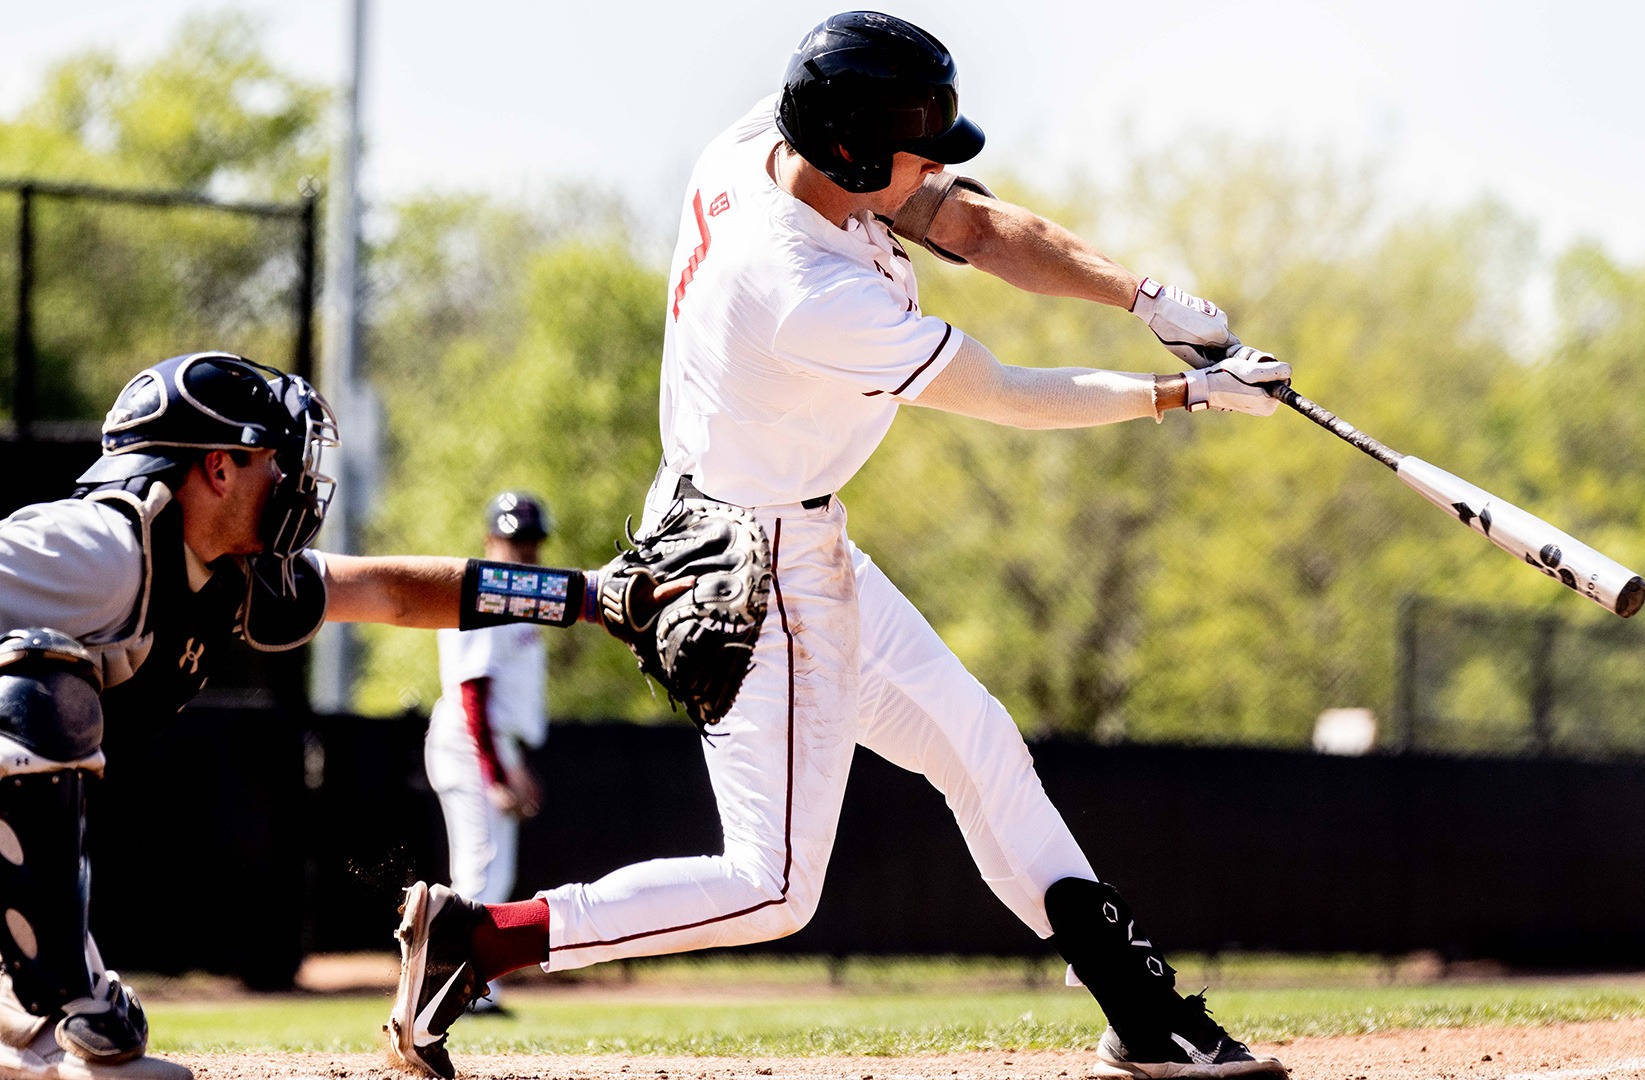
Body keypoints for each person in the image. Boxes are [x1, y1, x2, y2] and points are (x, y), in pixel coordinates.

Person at [387, 12, 1294, 1080]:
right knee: (772, 885)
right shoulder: (805, 291)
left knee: (980, 747)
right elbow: (1001, 394)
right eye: (914, 151)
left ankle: (1139, 1010)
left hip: (776, 528)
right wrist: (1184, 394)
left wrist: (1147, 298)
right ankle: (479, 940)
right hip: (751, 570)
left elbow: (980, 229)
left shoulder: (766, 144)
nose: (934, 173)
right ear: (855, 149)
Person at [0, 353, 658, 1080]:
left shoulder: (230, 574)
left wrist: (590, 596)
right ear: (219, 468)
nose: (291, 479)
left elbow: (394, 593)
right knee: (36, 695)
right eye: (273, 459)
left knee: (107, 1056)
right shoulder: (101, 551)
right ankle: (53, 1002)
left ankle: (31, 1021)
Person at [425, 492, 554, 1015]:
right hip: (468, 742)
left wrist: (512, 763)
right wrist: (497, 773)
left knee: (491, 873)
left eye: (530, 542)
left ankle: (472, 986)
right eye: (513, 540)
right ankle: (459, 989)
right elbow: (472, 691)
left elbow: (496, 699)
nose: (523, 551)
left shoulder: (518, 600)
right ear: (489, 540)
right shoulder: (481, 596)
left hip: (490, 743)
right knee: (479, 872)